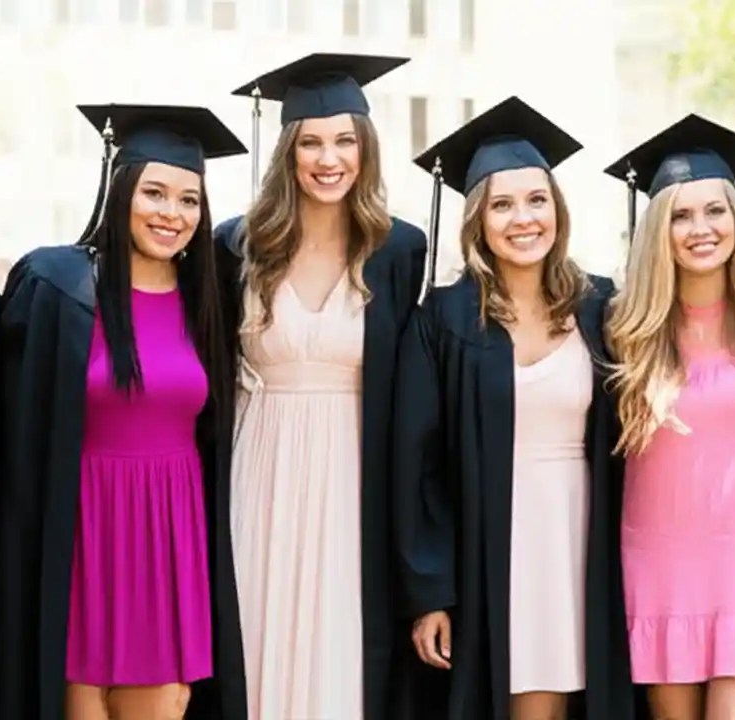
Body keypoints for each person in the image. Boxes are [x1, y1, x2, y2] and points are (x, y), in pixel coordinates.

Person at [0, 105, 243, 720]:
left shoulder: (210, 297)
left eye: (189, 200)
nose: (172, 213)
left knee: (162, 700)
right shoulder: (61, 287)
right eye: (154, 193)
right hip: (84, 527)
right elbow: (15, 415)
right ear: (120, 190)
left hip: (169, 529)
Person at [393, 96, 635, 720]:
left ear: (558, 210)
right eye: (502, 204)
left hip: (581, 536)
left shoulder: (599, 308)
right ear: (477, 220)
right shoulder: (443, 322)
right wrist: (431, 592)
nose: (522, 219)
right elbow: (416, 466)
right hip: (491, 547)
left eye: (536, 200)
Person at [214, 52, 427, 719]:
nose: (328, 158)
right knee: (255, 641)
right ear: (287, 151)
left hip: (353, 479)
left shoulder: (398, 250)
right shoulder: (235, 246)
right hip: (258, 472)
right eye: (310, 142)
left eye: (344, 140)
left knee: (342, 646)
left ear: (366, 147)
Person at [602, 115, 735, 719]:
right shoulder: (621, 327)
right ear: (656, 232)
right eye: (681, 216)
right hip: (660, 568)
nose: (700, 229)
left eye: (715, 211)